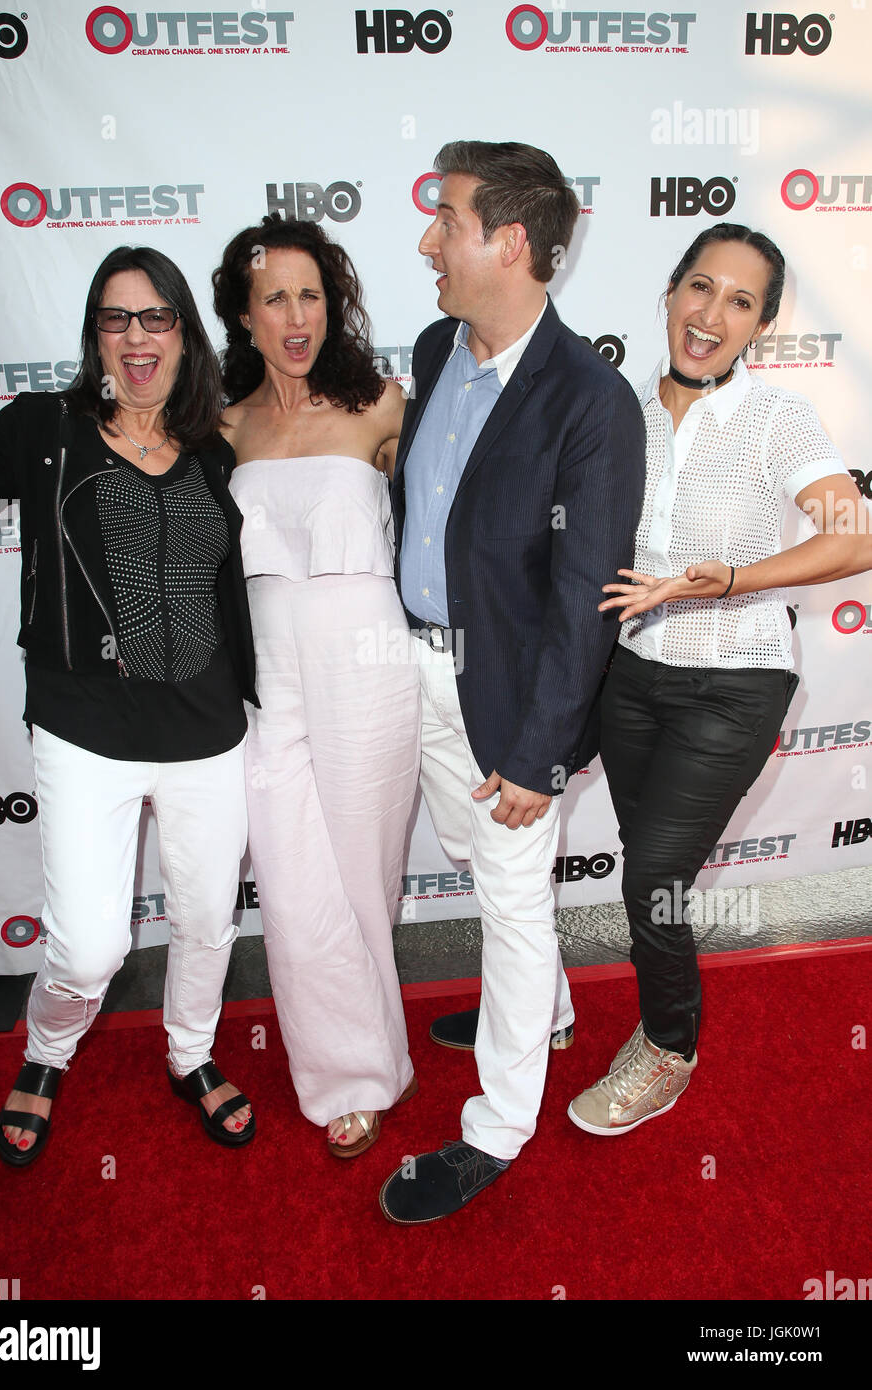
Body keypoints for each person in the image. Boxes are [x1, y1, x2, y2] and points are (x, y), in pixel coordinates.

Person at [377, 141, 646, 1224]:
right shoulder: (441, 345)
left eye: (444, 218)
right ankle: (542, 1014)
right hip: (420, 673)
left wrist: (538, 752)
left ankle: (495, 1126)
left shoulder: (591, 402)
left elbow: (587, 595)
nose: (425, 239)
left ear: (511, 243)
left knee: (511, 900)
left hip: (512, 705)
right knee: (468, 853)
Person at [0, 246, 258, 1165]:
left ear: (182, 334)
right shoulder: (47, 427)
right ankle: (46, 1052)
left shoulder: (215, 445)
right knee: (88, 951)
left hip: (207, 730)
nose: (135, 336)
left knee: (206, 920)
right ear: (94, 335)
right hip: (85, 728)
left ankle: (190, 1053)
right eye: (115, 319)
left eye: (155, 317)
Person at [567, 222, 872, 1135]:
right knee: (647, 865)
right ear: (669, 293)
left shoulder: (778, 419)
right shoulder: (616, 408)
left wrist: (731, 578)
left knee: (654, 874)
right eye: (699, 287)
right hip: (629, 676)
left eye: (739, 301)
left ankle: (666, 1047)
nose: (710, 314)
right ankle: (556, 1008)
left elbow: (850, 535)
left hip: (734, 679)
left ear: (761, 325)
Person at [212, 216, 420, 1157]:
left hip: (368, 666)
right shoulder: (221, 425)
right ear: (243, 316)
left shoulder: (383, 403)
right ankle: (344, 1072)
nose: (295, 315)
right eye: (273, 298)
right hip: (265, 681)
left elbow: (458, 518)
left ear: (330, 307)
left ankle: (375, 1058)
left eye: (310, 294)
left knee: (362, 880)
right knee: (293, 887)